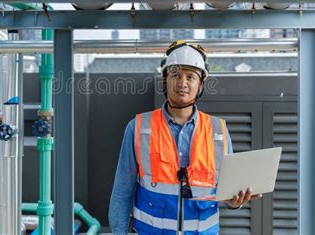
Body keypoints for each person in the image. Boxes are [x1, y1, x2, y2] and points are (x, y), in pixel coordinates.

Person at [108, 40, 261, 234]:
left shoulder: (218, 131)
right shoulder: (138, 127)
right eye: (176, 75)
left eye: (190, 77)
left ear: (200, 85)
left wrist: (234, 202)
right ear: (165, 80)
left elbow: (226, 191)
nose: (182, 83)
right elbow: (122, 192)